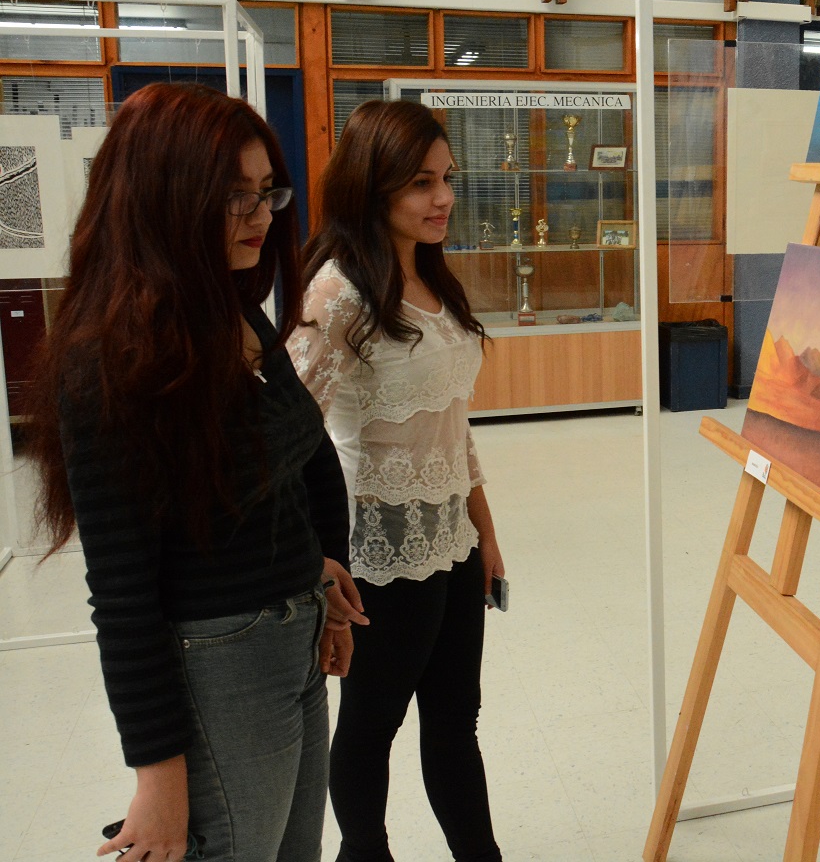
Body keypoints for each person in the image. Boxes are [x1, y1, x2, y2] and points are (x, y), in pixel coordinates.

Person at [27, 82, 364, 862]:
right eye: (230, 198)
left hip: (291, 634)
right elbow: (123, 593)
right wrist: (157, 773)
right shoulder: (109, 360)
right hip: (220, 660)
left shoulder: (231, 312)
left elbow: (296, 457)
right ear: (161, 200)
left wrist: (318, 569)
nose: (260, 217)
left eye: (264, 193)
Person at [292, 99, 505, 862]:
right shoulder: (339, 292)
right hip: (379, 555)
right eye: (421, 183)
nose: (442, 198)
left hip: (450, 541)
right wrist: (316, 562)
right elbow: (287, 436)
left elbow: (453, 425)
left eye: (447, 179)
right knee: (371, 726)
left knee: (456, 722)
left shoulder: (434, 282)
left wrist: (485, 532)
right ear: (372, 184)